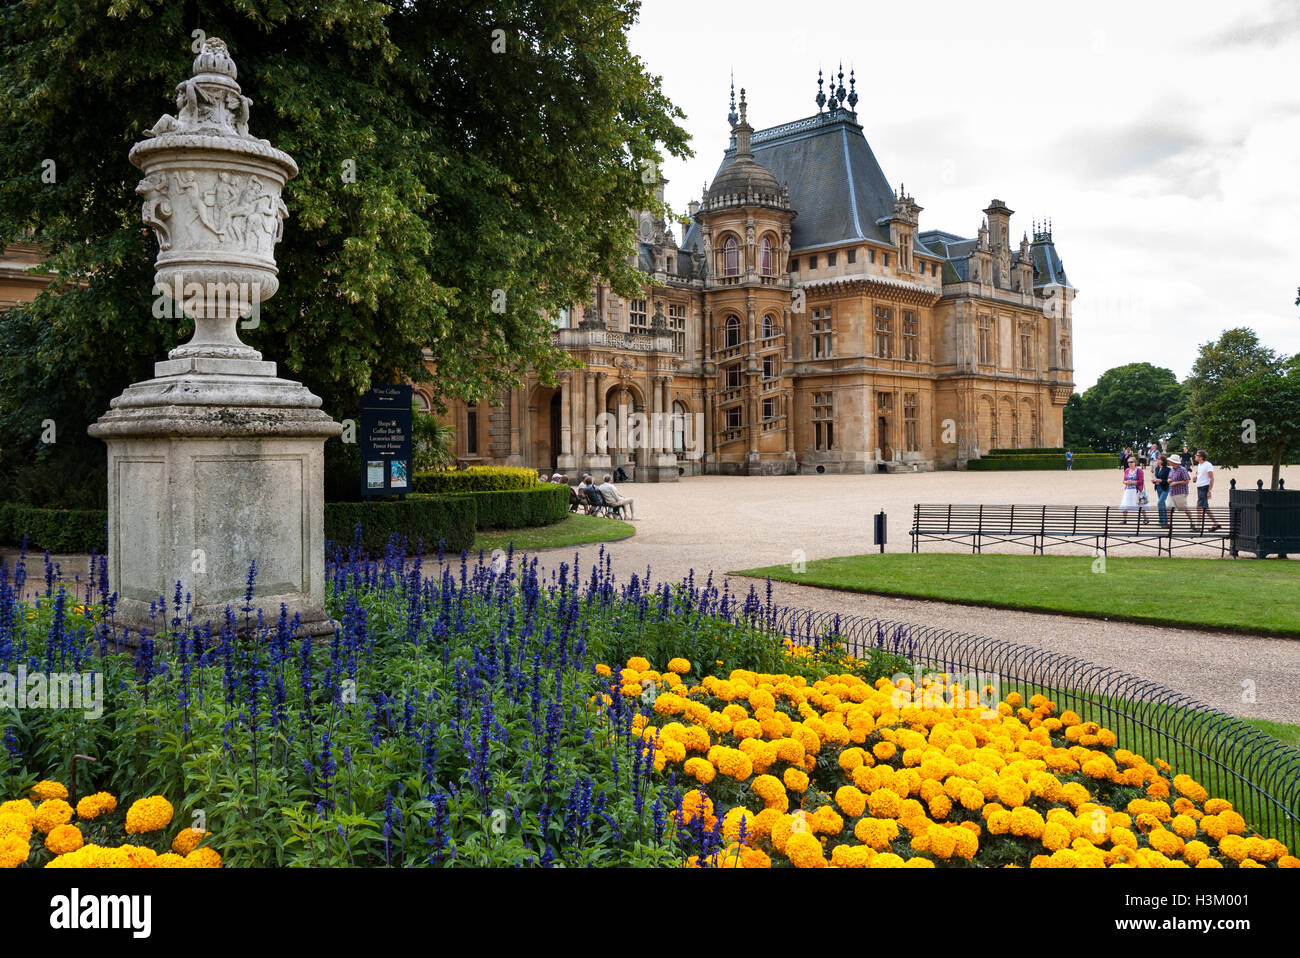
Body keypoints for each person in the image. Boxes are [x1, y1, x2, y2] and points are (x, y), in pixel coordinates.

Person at [1194, 450, 1222, 532]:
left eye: (1197, 455)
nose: (1195, 456)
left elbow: (1211, 478)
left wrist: (1209, 491)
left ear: (1201, 457)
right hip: (1199, 488)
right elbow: (1199, 474)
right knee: (1205, 508)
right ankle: (1216, 524)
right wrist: (1196, 478)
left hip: (1204, 488)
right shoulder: (1199, 465)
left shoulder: (1208, 465)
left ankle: (1198, 527)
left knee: (1199, 507)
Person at [1166, 454, 1196, 529]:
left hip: (1180, 492)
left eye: (1170, 461)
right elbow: (1170, 478)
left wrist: (1176, 483)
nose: (1169, 461)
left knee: (1184, 508)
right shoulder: (1172, 469)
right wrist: (1169, 480)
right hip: (1172, 491)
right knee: (1168, 507)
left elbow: (1187, 481)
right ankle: (1170, 525)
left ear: (1174, 462)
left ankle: (1192, 523)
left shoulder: (1182, 469)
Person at [1118, 455, 1146, 523]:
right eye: (1128, 462)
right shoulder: (1127, 470)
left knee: (1140, 505)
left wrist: (1132, 482)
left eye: (1131, 462)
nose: (1130, 464)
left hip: (1137, 490)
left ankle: (1145, 519)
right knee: (1125, 504)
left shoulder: (1139, 471)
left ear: (1135, 463)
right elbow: (1124, 480)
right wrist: (1126, 482)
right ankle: (1124, 520)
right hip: (1128, 490)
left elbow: (1141, 481)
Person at [1153, 452, 1172, 526]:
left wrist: (1161, 480)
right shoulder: (1157, 468)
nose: (1157, 460)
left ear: (1162, 461)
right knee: (1162, 504)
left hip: (1165, 488)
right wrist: (1154, 481)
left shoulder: (1168, 469)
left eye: (1158, 459)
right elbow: (1157, 477)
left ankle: (1165, 522)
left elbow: (1169, 480)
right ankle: (1162, 521)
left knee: (1160, 503)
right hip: (1158, 487)